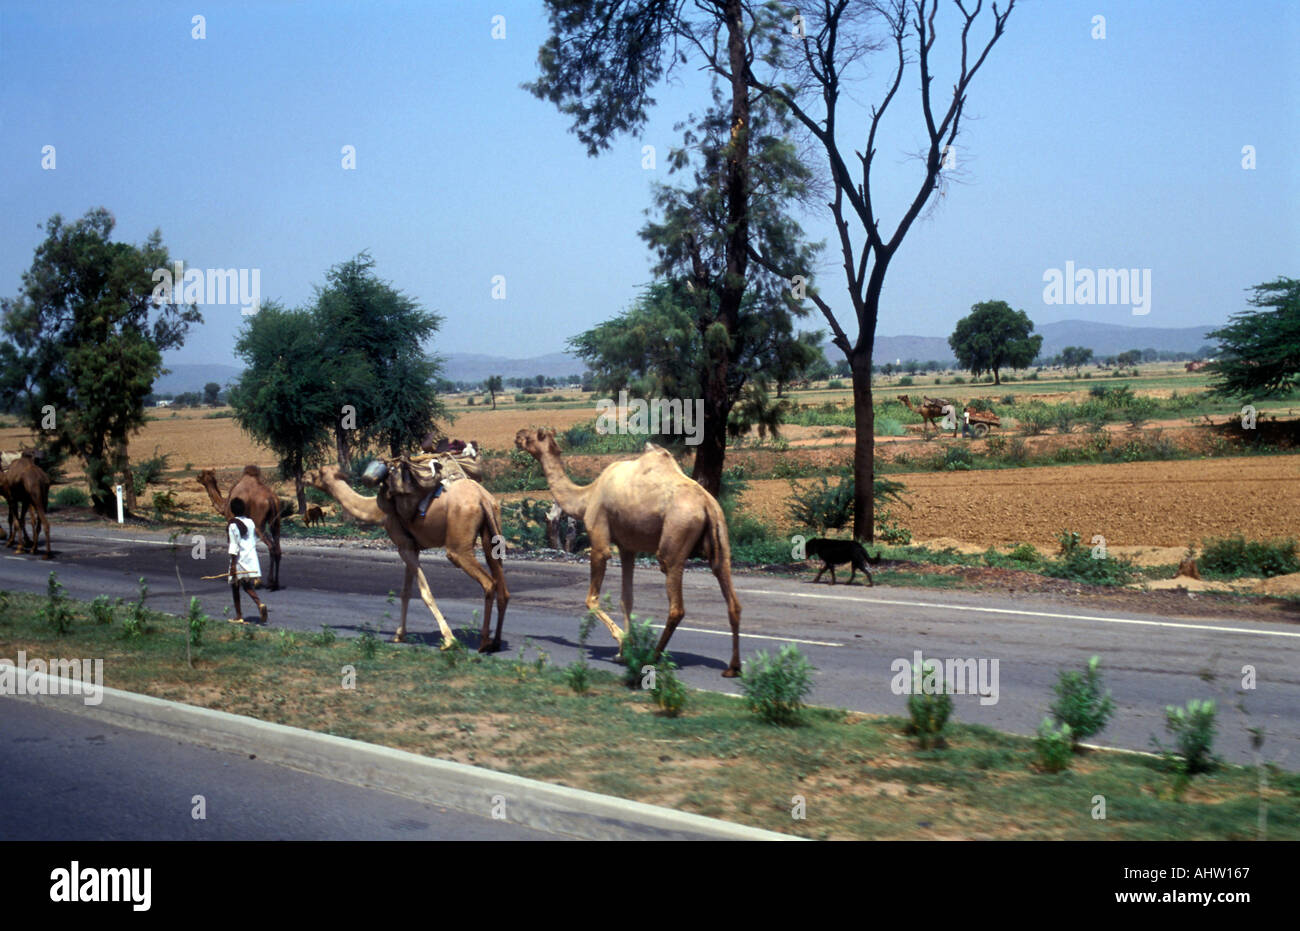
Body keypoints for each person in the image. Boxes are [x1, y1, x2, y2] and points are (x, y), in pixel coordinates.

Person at [227, 497, 268, 624]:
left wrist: (233, 565)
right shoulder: (250, 522)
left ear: (232, 510)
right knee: (245, 585)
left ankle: (239, 616)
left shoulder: (233, 524)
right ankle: (259, 604)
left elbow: (234, 545)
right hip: (251, 559)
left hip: (240, 560)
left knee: (235, 586)